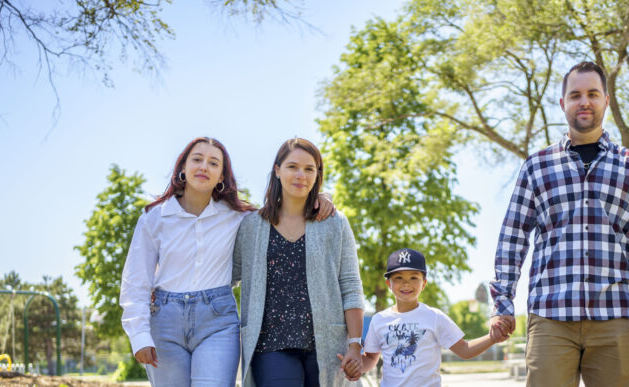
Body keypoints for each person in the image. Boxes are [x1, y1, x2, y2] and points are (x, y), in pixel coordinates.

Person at [488, 61, 629, 387]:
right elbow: (513, 236)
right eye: (575, 95)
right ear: (563, 104)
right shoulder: (537, 166)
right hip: (551, 318)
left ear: (606, 99)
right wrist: (503, 302)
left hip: (615, 317)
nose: (584, 101)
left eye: (592, 93)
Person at [119, 137, 334, 387]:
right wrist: (140, 335)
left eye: (213, 163)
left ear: (222, 176)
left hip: (217, 321)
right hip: (164, 323)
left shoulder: (239, 217)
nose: (204, 167)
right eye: (197, 160)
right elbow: (136, 281)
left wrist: (321, 196)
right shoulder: (154, 218)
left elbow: (284, 209)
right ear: (183, 168)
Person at [234, 138, 365, 387]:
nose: (300, 175)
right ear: (277, 170)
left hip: (327, 347)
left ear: (318, 174)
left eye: (309, 169)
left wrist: (355, 345)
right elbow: (226, 275)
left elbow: (350, 285)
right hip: (270, 345)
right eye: (292, 166)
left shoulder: (334, 223)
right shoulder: (251, 226)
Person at [347, 248, 505, 387]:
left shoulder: (434, 317)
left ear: (424, 283)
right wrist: (356, 366)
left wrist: (492, 338)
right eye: (398, 278)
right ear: (389, 284)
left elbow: (464, 350)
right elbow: (370, 359)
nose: (406, 283)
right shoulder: (379, 320)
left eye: (414, 278)